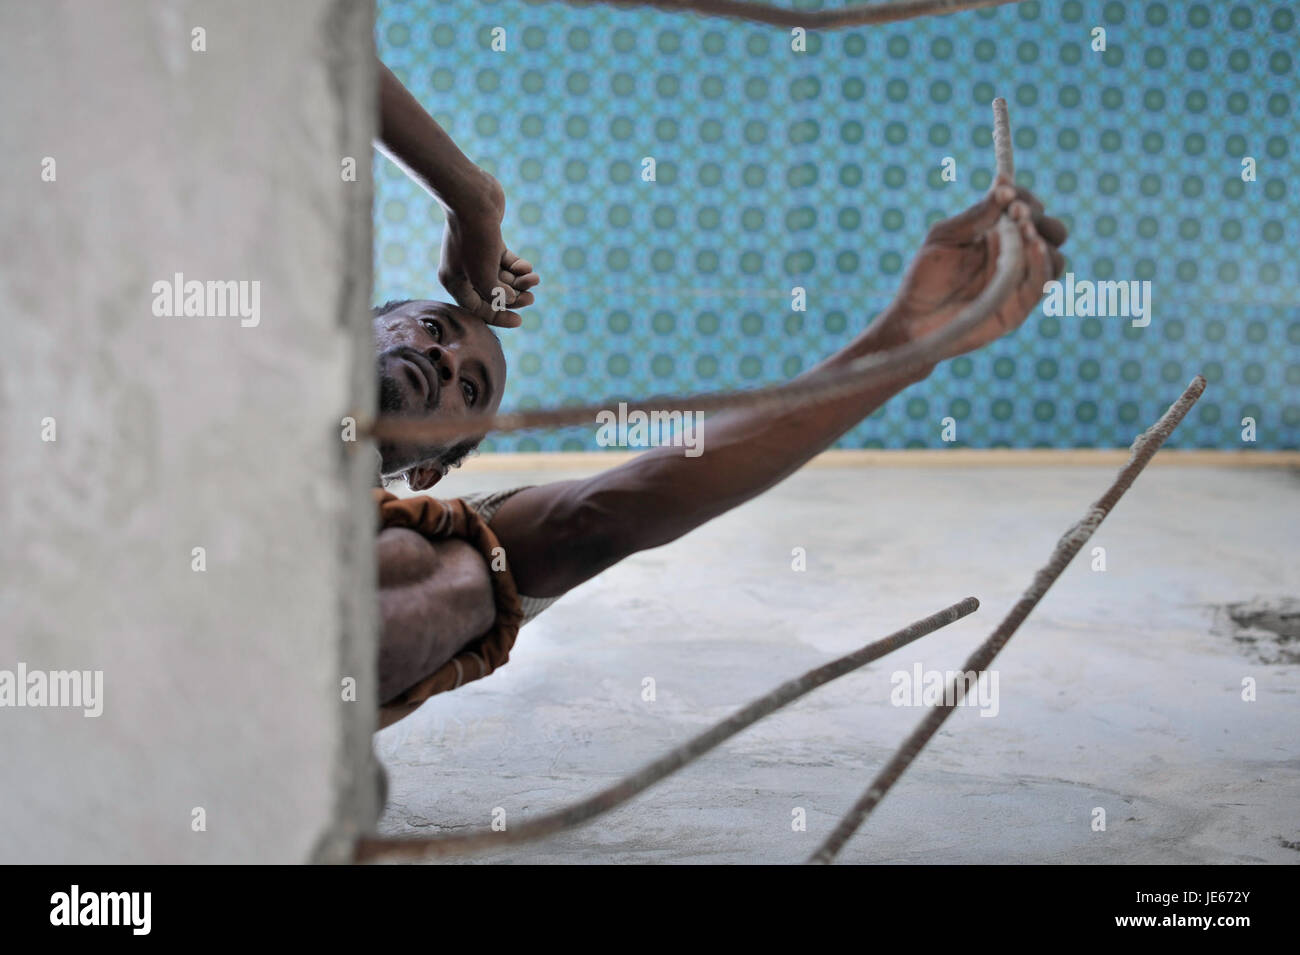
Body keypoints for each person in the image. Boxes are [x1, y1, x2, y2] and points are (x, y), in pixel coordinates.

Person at [369, 62, 1068, 727]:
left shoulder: (403, 543)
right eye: (433, 326)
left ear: (426, 472)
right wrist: (469, 194)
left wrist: (904, 345)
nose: (443, 354)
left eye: (470, 387)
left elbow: (609, 508)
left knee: (465, 576)